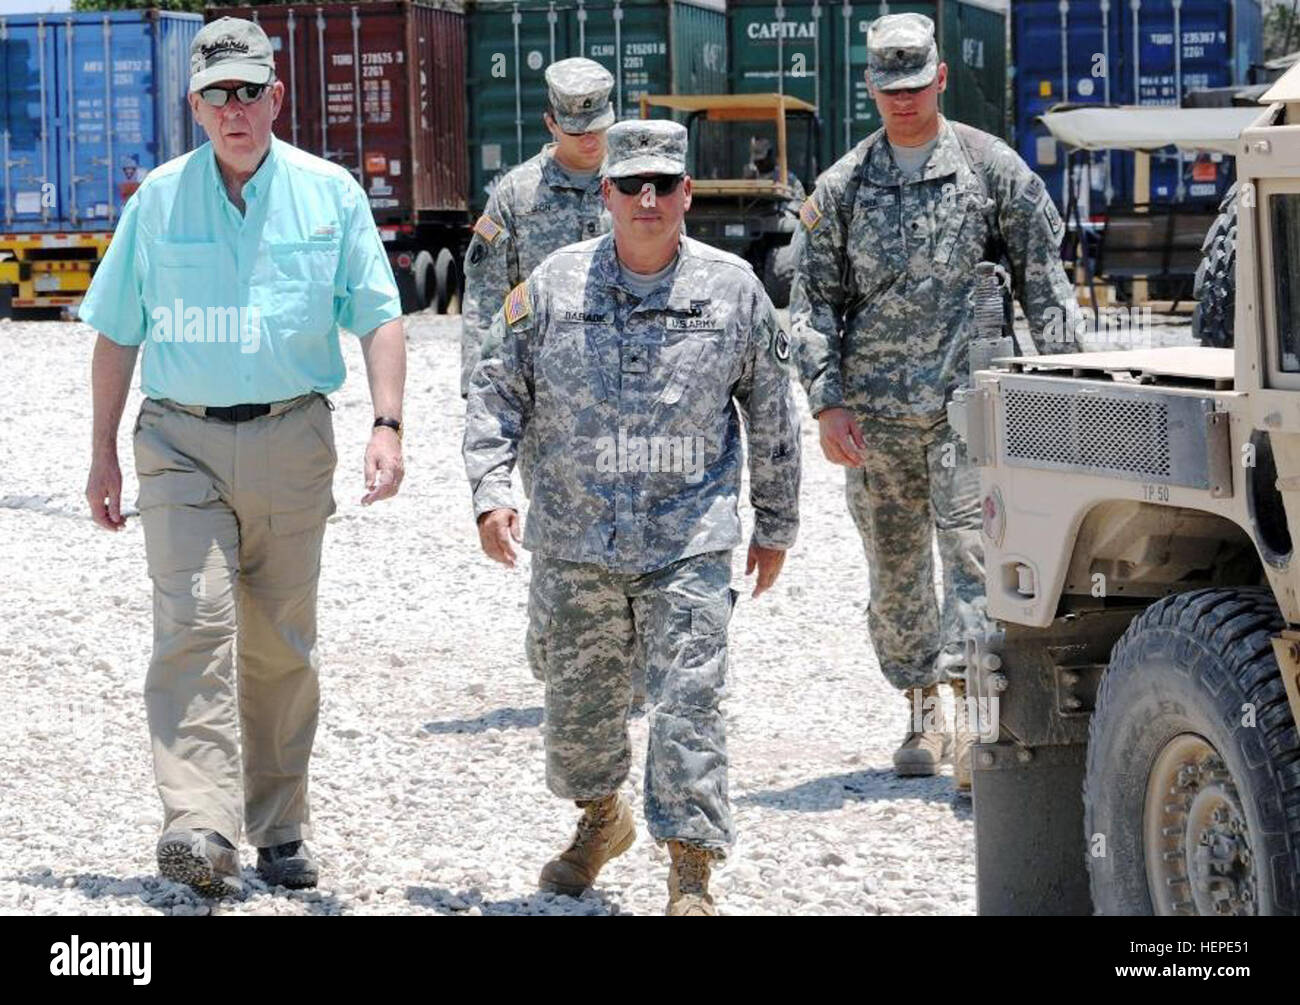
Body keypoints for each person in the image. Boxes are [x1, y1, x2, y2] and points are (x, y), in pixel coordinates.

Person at [80, 17, 406, 896]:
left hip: (293, 437)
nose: (235, 108)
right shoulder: (155, 199)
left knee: (279, 645)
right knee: (192, 626)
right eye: (218, 93)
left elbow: (378, 311)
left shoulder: (329, 193)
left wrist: (387, 423)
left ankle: (280, 824)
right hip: (179, 442)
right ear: (194, 103)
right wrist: (102, 451)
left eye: (250, 90)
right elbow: (115, 331)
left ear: (277, 96)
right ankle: (199, 823)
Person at [463, 119, 801, 915]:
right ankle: (600, 818)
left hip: (689, 538)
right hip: (576, 542)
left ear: (687, 192)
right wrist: (491, 490)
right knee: (577, 722)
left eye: (661, 185)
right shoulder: (551, 287)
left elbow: (773, 413)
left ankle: (690, 869)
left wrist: (775, 523)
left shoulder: (732, 291)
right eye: (628, 185)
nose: (645, 200)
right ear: (604, 195)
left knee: (690, 703)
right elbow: (495, 389)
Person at [788, 12, 1082, 791]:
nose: (904, 102)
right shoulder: (843, 188)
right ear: (870, 88)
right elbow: (810, 304)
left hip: (972, 417)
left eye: (917, 86)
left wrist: (1071, 398)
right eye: (890, 90)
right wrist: (826, 403)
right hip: (875, 425)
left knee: (978, 563)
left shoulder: (993, 171)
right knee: (895, 575)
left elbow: (1047, 292)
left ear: (941, 79)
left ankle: (980, 723)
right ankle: (921, 706)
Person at [459, 57, 614, 398]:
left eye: (597, 127)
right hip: (543, 383)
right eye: (576, 130)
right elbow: (486, 295)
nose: (589, 139)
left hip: (622, 379)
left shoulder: (635, 184)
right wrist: (477, 387)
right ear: (551, 124)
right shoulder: (517, 193)